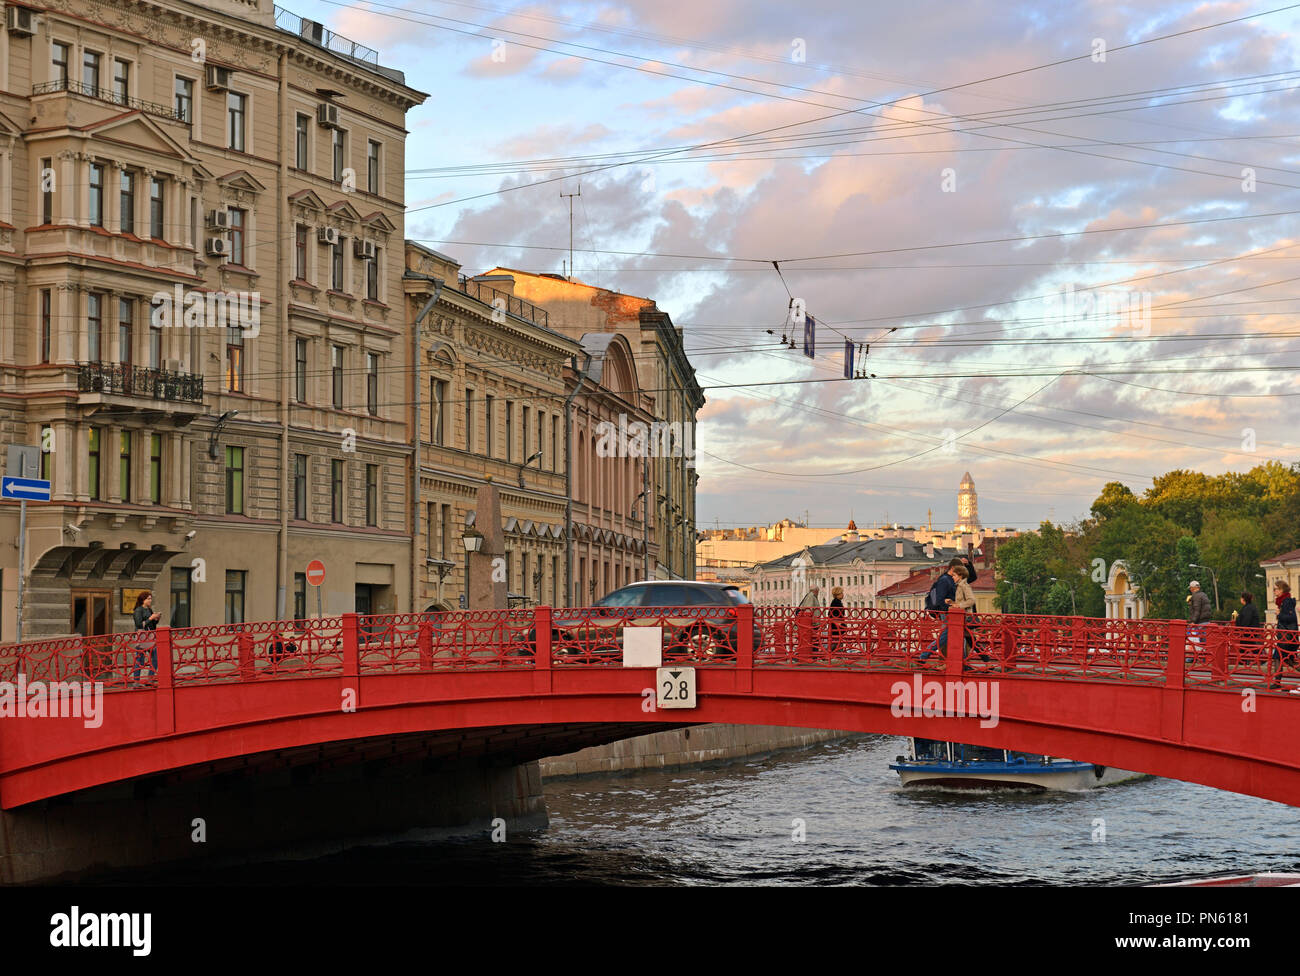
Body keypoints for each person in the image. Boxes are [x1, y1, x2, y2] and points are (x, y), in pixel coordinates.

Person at [919, 560, 965, 661]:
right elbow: (940, 599)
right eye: (959, 570)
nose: (960, 573)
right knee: (947, 635)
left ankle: (964, 660)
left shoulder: (952, 579)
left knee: (959, 635)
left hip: (952, 613)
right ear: (952, 568)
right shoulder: (945, 580)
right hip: (947, 613)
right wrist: (950, 608)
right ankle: (924, 655)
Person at [1271, 581, 1298, 690]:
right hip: (1287, 636)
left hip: (1287, 637)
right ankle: (1277, 682)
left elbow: (1291, 619)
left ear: (1282, 590)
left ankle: (1277, 682)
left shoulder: (1286, 602)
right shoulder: (1283, 601)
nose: (1274, 591)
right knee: (1288, 660)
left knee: (1277, 657)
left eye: (1276, 589)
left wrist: (1279, 614)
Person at [131, 590, 161, 682]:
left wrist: (156, 619)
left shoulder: (149, 609)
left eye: (151, 599)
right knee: (140, 659)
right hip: (142, 637)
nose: (150, 600)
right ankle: (136, 681)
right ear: (143, 600)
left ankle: (150, 679)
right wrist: (150, 618)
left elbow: (152, 625)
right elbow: (139, 625)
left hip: (150, 636)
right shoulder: (138, 610)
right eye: (148, 599)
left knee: (156, 658)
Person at [1232, 591, 1262, 657]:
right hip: (1250, 632)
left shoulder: (1248, 608)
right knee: (1248, 647)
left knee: (1246, 647)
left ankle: (1242, 662)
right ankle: (1242, 662)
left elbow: (1246, 620)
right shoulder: (1250, 607)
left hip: (1248, 632)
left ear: (1243, 599)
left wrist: (1240, 627)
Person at [827, 586, 845, 655]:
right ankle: (828, 655)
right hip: (836, 627)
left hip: (836, 626)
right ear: (837, 594)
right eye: (841, 593)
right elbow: (832, 614)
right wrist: (840, 624)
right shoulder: (836, 602)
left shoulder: (836, 602)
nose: (843, 594)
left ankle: (837, 655)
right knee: (836, 642)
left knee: (837, 642)